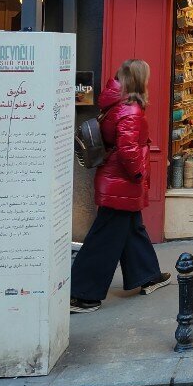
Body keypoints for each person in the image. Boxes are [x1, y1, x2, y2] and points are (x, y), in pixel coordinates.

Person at [70, 59, 170, 313]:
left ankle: (147, 275)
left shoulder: (114, 105)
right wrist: (139, 174)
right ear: (139, 80)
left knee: (132, 228)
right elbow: (128, 150)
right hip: (121, 182)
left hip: (113, 178)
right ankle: (84, 294)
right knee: (104, 237)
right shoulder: (131, 111)